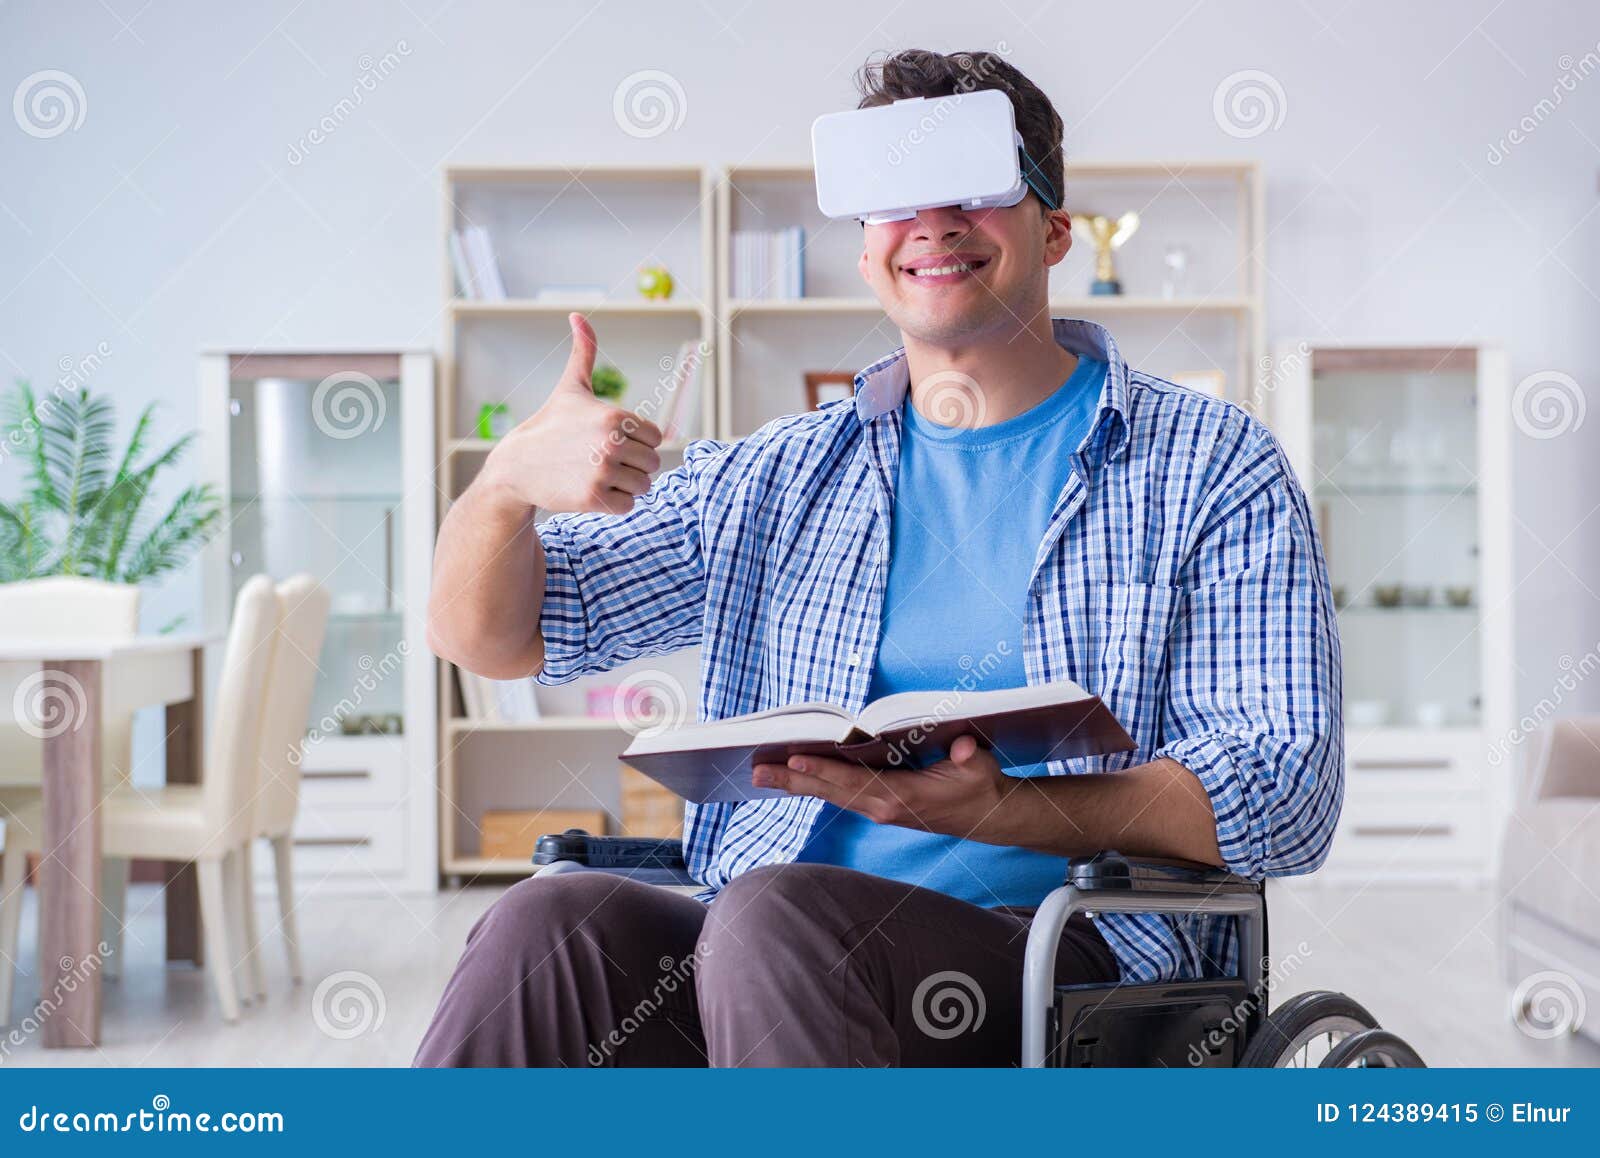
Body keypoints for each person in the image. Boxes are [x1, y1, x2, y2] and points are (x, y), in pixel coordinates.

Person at [414, 48, 1342, 1067]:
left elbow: (1286, 789)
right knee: (549, 931)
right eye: (895, 198)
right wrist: (501, 488)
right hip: (761, 962)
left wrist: (1014, 809)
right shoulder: (778, 477)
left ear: (1056, 230)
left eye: (977, 190)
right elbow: (495, 637)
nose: (934, 223)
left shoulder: (1210, 465)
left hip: (1074, 976)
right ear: (868, 253)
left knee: (783, 923)